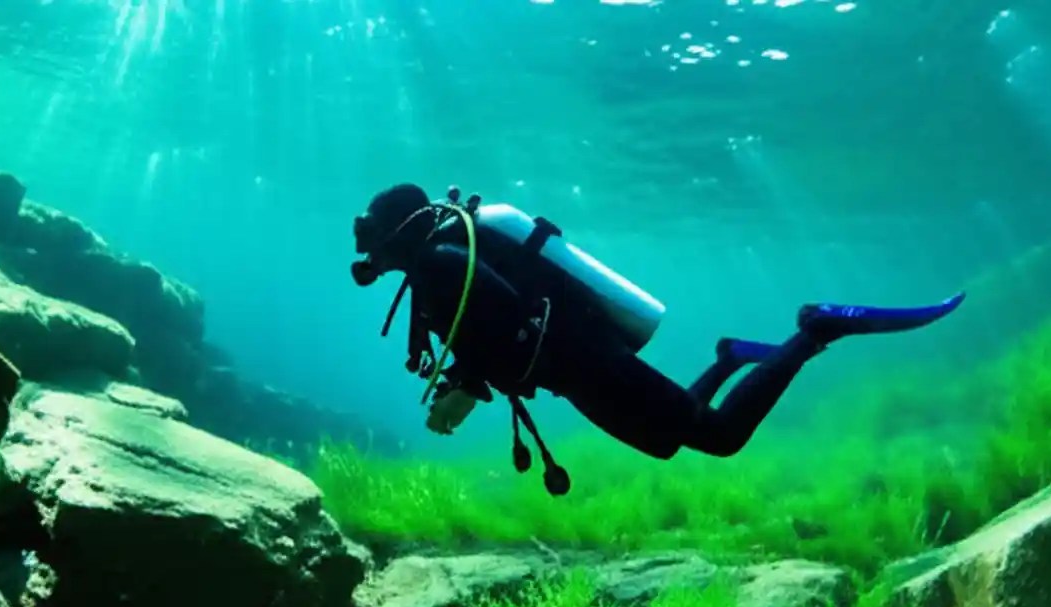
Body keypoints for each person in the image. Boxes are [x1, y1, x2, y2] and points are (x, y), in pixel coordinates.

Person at [350, 182, 966, 496]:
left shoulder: (439, 262)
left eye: (373, 236)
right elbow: (489, 322)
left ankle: (815, 329)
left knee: (719, 438)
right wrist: (469, 378)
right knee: (668, 442)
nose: (371, 252)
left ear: (397, 230)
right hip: (576, 372)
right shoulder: (439, 262)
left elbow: (507, 312)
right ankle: (726, 359)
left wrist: (466, 385)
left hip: (587, 361)